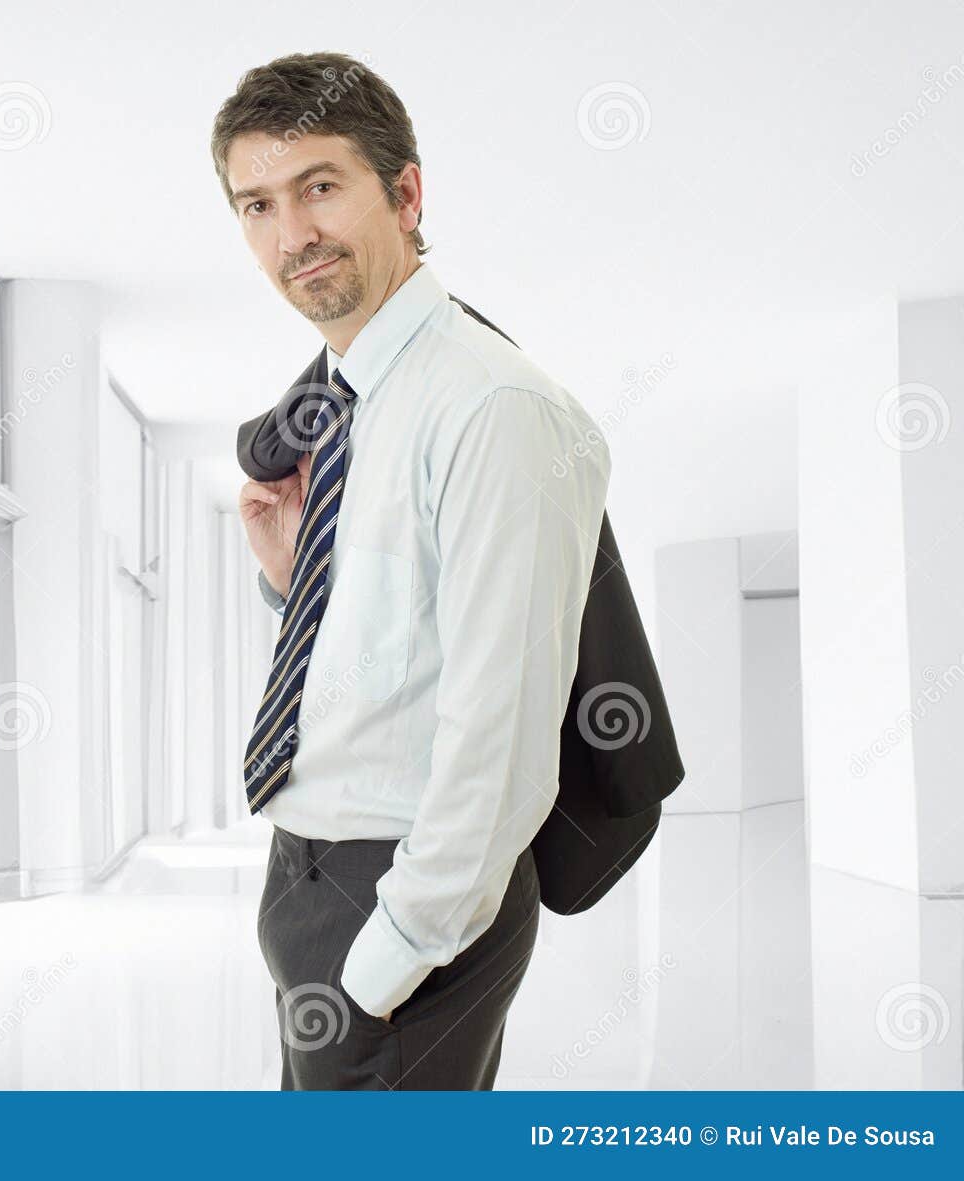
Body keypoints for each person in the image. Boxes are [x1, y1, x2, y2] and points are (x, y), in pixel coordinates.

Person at [213, 52, 612, 1089]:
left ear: (405, 191)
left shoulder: (491, 407)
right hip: (310, 865)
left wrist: (391, 952)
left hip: (399, 893)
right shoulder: (355, 402)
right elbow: (404, 645)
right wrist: (291, 577)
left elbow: (502, 723)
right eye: (256, 203)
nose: (289, 233)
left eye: (319, 186)